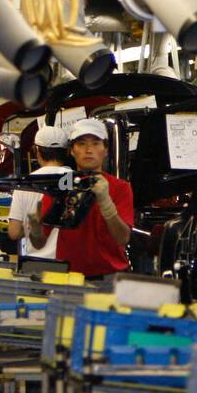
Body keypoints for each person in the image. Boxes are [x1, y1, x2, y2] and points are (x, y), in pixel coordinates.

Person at [28, 118, 133, 277]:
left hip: (110, 277)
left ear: (105, 150)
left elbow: (123, 238)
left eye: (95, 143)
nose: (88, 149)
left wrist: (107, 206)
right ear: (71, 150)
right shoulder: (63, 184)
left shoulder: (120, 187)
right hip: (69, 278)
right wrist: (35, 230)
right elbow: (39, 242)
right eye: (81, 143)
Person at [7, 125, 71, 259]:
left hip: (35, 263)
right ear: (67, 152)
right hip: (70, 265)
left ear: (37, 151)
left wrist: (28, 227)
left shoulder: (25, 183)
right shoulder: (76, 180)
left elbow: (14, 232)